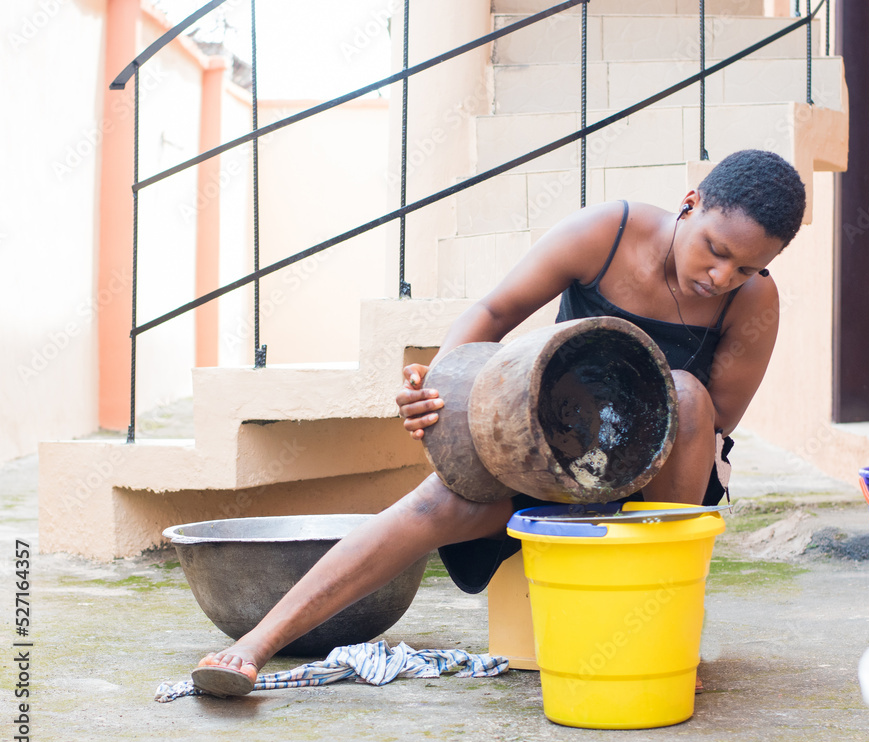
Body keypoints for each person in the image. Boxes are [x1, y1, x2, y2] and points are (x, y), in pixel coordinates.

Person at [191, 149, 807, 697]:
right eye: (716, 251)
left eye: (746, 268)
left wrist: (631, 449)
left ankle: (665, 631)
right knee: (430, 506)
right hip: (552, 452)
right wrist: (439, 389)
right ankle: (256, 643)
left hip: (660, 481)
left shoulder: (755, 302)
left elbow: (715, 422)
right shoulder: (607, 234)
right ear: (690, 204)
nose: (722, 277)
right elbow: (493, 312)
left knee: (688, 395)